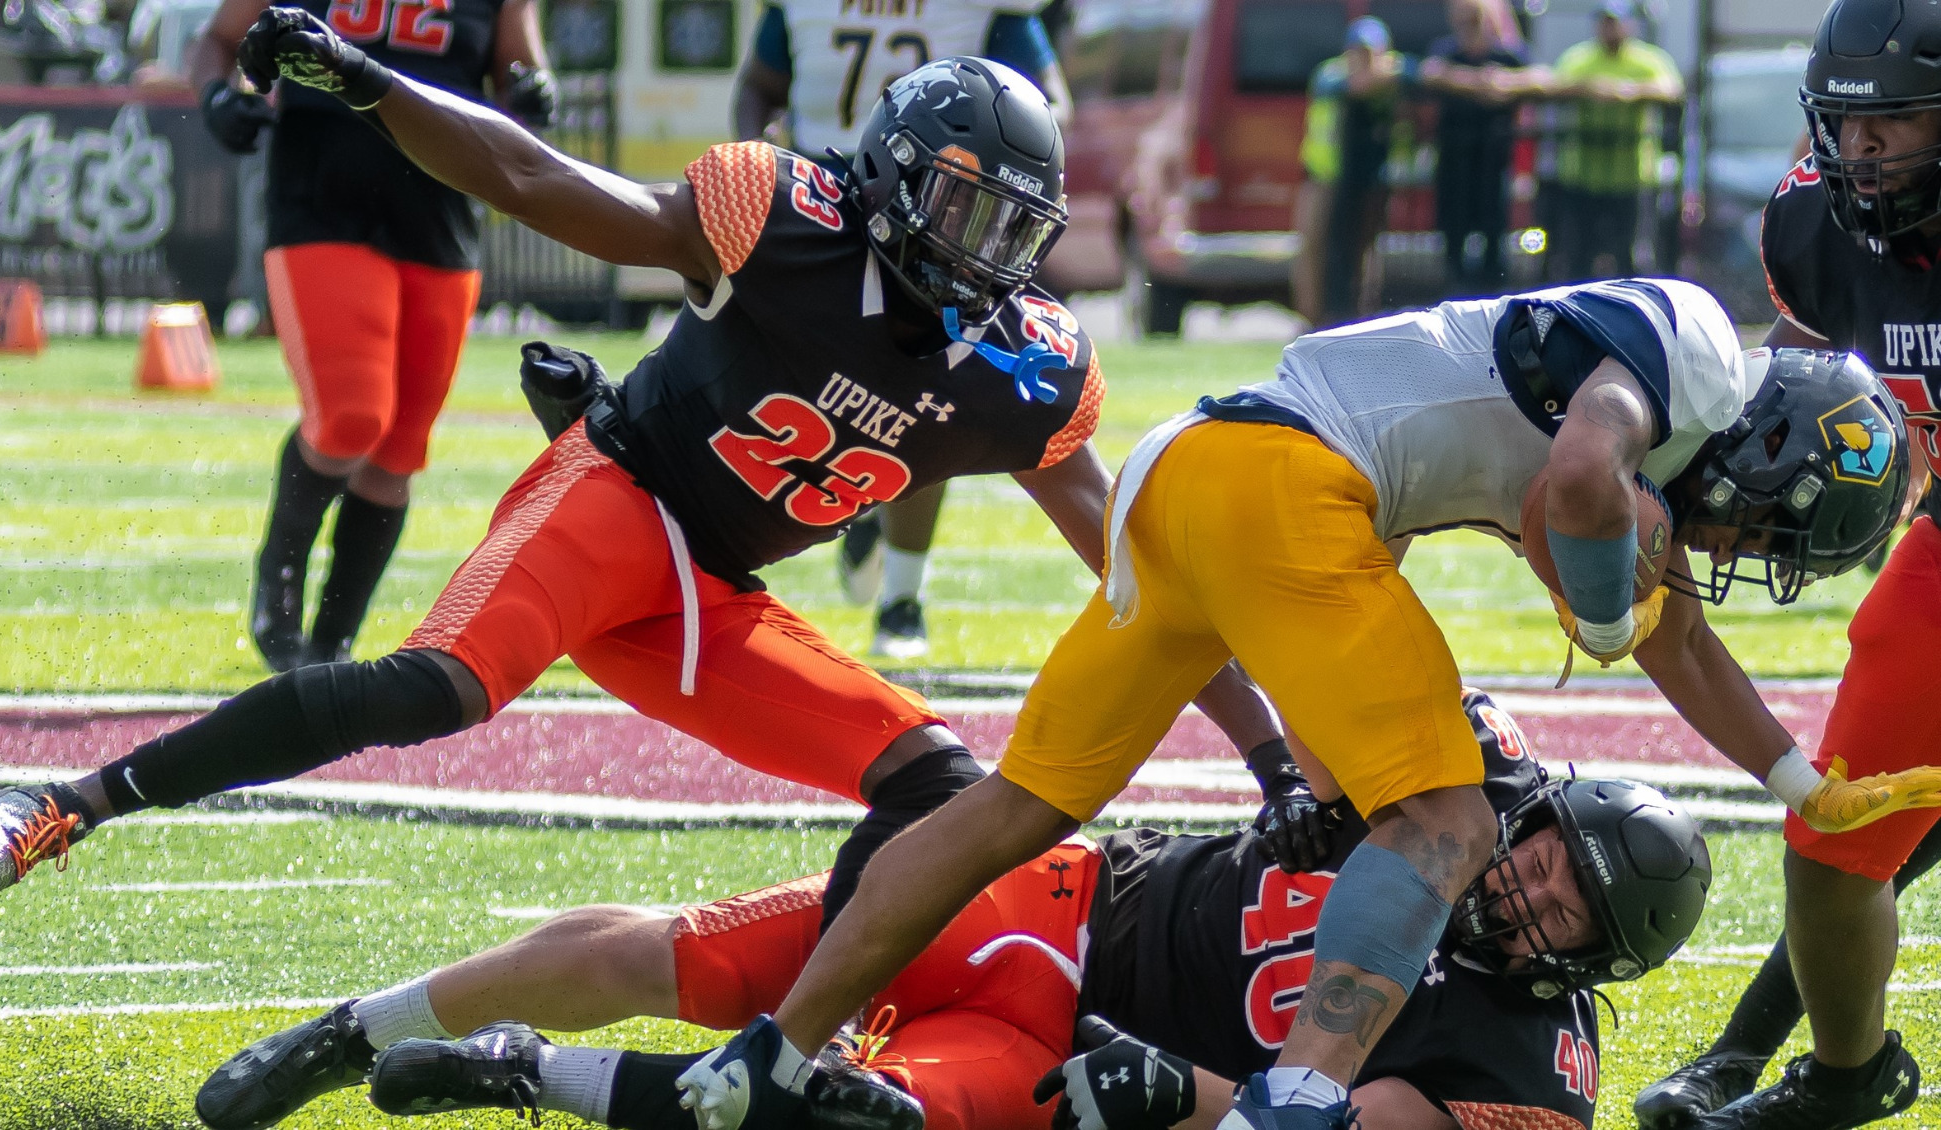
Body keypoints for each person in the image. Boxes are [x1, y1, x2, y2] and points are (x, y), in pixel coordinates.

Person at [0, 44, 1281, 934]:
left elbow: (1141, 568)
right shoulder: (784, 217)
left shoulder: (1025, 371)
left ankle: (823, 1027)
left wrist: (1276, 751)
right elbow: (531, 175)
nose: (989, 259)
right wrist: (368, 82)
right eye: (966, 212)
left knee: (940, 791)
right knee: (437, 687)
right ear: (886, 183)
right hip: (619, 494)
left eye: (1016, 232)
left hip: (711, 595)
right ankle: (76, 799)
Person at [667, 277, 1936, 1130]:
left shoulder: (1662, 411)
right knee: (1446, 820)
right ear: (1771, 443)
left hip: (1189, 476)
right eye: (1760, 522)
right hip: (1292, 480)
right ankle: (1297, 1098)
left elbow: (1674, 631)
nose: (1729, 537)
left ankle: (776, 1046)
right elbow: (1589, 477)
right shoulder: (1698, 354)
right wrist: (1602, 607)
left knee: (1016, 805)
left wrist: (1794, 780)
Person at [194, 692, 1709, 1130]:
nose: (1529, 881)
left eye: (1571, 905)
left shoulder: (1530, 1070)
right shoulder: (1450, 771)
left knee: (852, 1118)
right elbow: (1302, 657)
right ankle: (349, 1027)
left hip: (1062, 1056)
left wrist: (1172, 1093)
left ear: (1595, 965)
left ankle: (523, 1074)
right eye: (1552, 848)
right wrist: (1300, 763)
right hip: (1041, 895)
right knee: (698, 955)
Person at [1634, 1, 1941, 1126]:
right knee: (1839, 830)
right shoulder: (1814, 224)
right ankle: (1835, 1072)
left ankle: (1735, 1056)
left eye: (1892, 124)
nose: (1859, 155)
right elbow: (1812, 382)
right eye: (1844, 128)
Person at [189, 0, 557, 672]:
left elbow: (520, 69)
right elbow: (217, 40)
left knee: (400, 448)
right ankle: (280, 578)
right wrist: (221, 96)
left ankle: (332, 645)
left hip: (440, 201)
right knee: (351, 418)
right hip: (322, 187)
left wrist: (532, 90)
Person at [732, 0, 1073, 660]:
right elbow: (759, 83)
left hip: (943, 204)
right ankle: (843, 507)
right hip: (825, 189)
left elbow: (1044, 95)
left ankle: (901, 595)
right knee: (774, 362)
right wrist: (755, 155)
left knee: (932, 384)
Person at [1545, 0, 1682, 282]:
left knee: (1629, 255)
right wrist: (1590, 89)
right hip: (1583, 175)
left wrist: (1628, 92)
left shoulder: (1648, 60)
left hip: (1630, 177)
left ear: (1629, 25)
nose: (1610, 28)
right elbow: (1554, 86)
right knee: (1579, 255)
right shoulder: (1579, 58)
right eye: (1605, 22)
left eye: (1616, 22)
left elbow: (1672, 89)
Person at [1298, 17, 1408, 325]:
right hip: (1324, 177)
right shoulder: (1331, 73)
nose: (1361, 58)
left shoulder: (1392, 72)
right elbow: (1344, 86)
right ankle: (1314, 319)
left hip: (1370, 179)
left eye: (1368, 52)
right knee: (1316, 248)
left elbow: (1417, 74)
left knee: (1366, 251)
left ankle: (1362, 315)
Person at [1418, 0, 1530, 297]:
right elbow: (1430, 73)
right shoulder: (1445, 52)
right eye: (1463, 19)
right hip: (1454, 160)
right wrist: (1482, 84)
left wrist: (1506, 85)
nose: (1469, 25)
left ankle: (1493, 294)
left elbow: (1537, 81)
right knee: (1453, 232)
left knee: (1494, 232)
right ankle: (1456, 292)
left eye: (1475, 18)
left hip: (1493, 162)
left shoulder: (1507, 57)